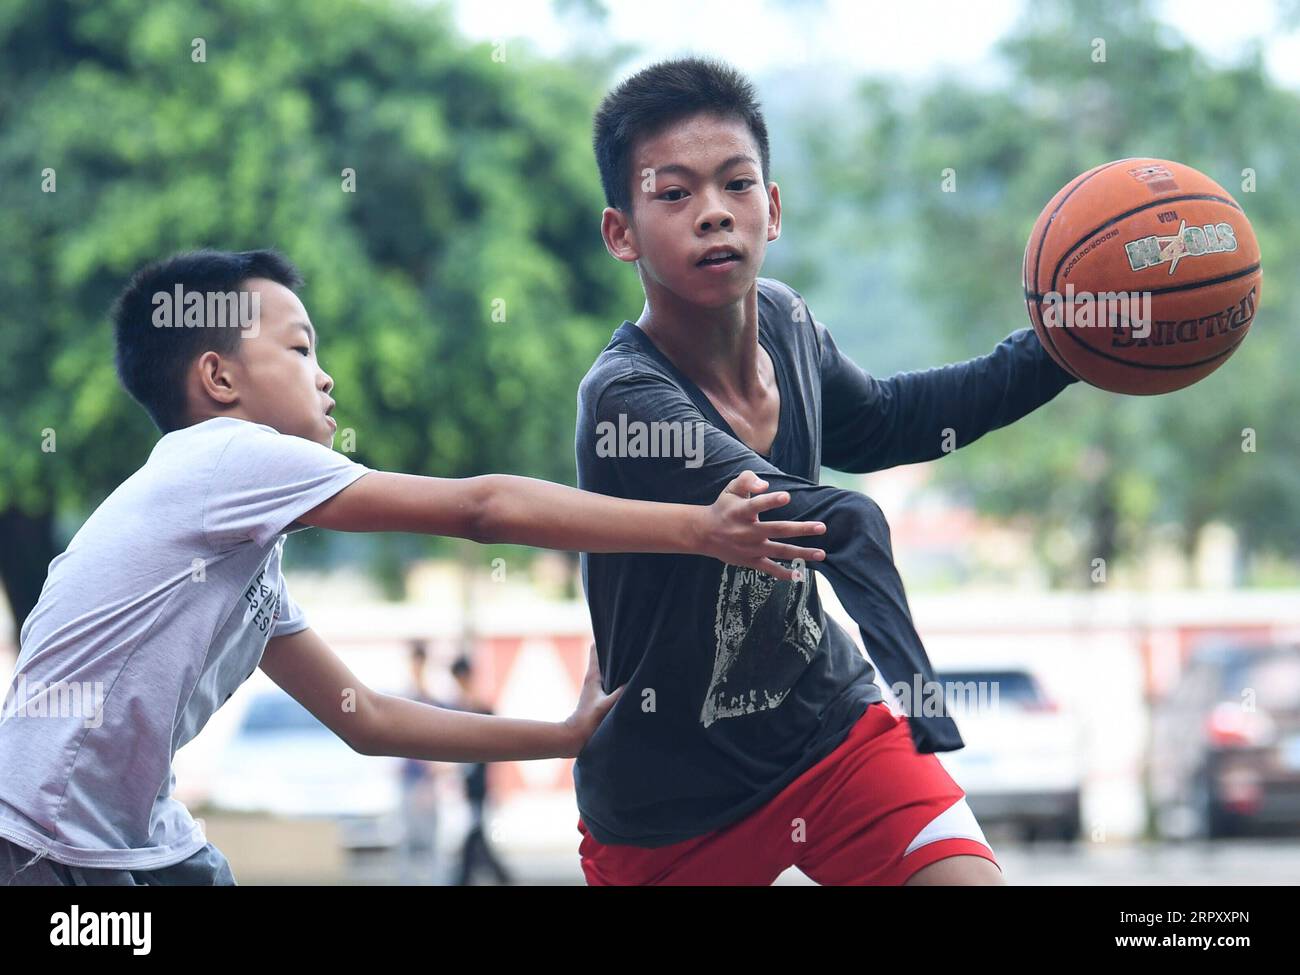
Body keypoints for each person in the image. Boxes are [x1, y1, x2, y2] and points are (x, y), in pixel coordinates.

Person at [0, 248, 829, 886]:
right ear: (217, 379)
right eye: (297, 349)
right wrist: (702, 527)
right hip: (40, 844)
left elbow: (370, 721)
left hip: (144, 844)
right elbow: (482, 509)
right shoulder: (222, 457)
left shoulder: (240, 551)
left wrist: (563, 736)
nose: (325, 375)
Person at [572, 57, 1081, 886]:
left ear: (771, 209)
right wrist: (924, 697)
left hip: (827, 730)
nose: (713, 214)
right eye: (674, 193)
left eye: (736, 185)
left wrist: (1060, 347)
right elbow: (826, 519)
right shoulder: (627, 400)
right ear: (620, 231)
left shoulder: (786, 320)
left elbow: (887, 420)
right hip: (667, 804)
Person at [446, 654, 513, 886]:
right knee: (476, 834)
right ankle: (496, 875)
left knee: (474, 833)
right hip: (467, 785)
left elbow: (497, 754)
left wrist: (498, 786)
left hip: (481, 785)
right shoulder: (453, 710)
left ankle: (464, 878)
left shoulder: (482, 710)